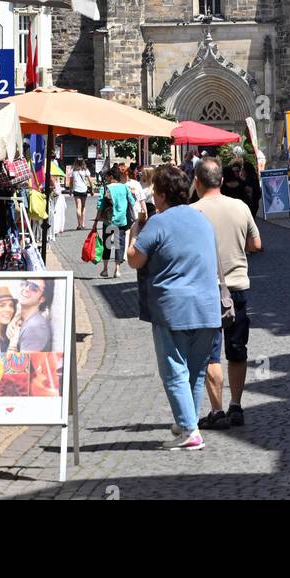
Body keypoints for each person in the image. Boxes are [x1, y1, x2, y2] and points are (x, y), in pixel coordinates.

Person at [127, 164, 221, 451]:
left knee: (174, 370)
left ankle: (190, 431)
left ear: (163, 194)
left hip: (174, 308)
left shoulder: (158, 222)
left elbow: (134, 259)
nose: (153, 196)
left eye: (155, 191)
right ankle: (185, 422)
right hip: (207, 307)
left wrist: (134, 231)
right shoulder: (201, 219)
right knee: (195, 371)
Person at [191, 157, 262, 430]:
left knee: (211, 353)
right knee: (237, 349)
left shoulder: (192, 212)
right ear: (222, 180)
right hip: (238, 287)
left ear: (197, 182)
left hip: (206, 289)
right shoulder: (240, 207)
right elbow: (256, 244)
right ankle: (236, 405)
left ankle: (217, 410)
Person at [97, 165, 133, 279]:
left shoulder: (105, 188)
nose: (106, 179)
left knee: (107, 244)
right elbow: (132, 201)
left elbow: (100, 205)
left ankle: (105, 269)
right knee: (119, 244)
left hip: (108, 221)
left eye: (107, 177)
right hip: (121, 220)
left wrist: (96, 221)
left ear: (111, 177)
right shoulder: (125, 187)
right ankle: (117, 269)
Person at [14, 278, 55, 352]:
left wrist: (11, 346)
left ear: (42, 298)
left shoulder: (35, 327)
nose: (26, 289)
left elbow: (26, 359)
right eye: (25, 284)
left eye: (34, 288)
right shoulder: (25, 321)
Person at [67, 157, 91, 230]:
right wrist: (92, 188)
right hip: (84, 189)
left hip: (76, 190)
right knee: (83, 207)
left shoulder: (73, 171)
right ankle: (83, 223)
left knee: (78, 207)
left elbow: (71, 182)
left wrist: (70, 189)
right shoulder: (85, 170)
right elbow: (89, 180)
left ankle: (79, 224)